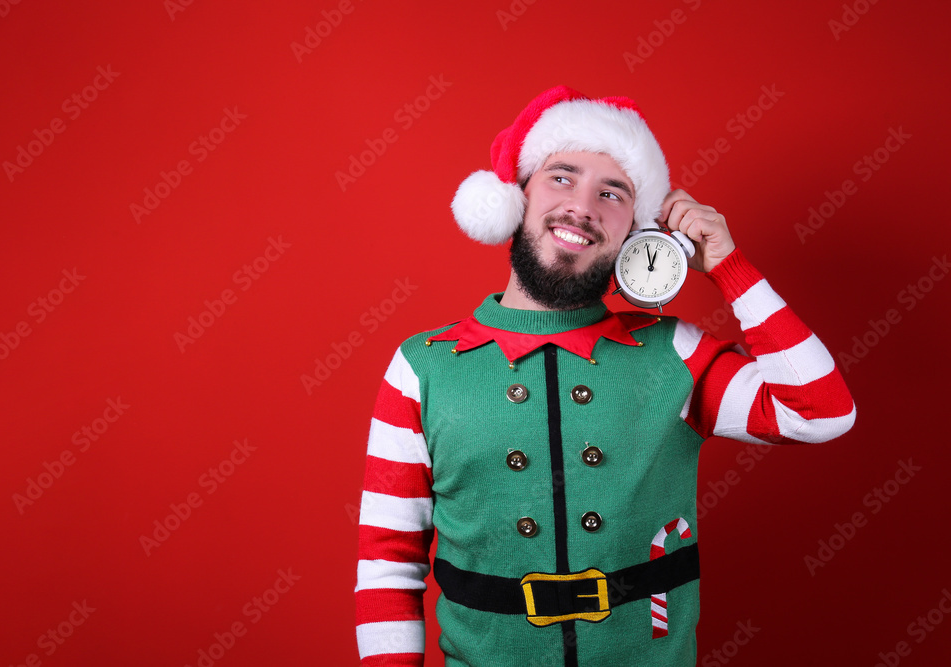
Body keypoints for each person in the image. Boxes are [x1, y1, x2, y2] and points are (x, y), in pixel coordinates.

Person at [353, 85, 855, 667]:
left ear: (636, 232)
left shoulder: (676, 353)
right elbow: (389, 562)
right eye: (561, 177)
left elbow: (823, 413)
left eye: (612, 192)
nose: (583, 207)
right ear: (515, 198)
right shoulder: (421, 367)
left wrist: (727, 266)